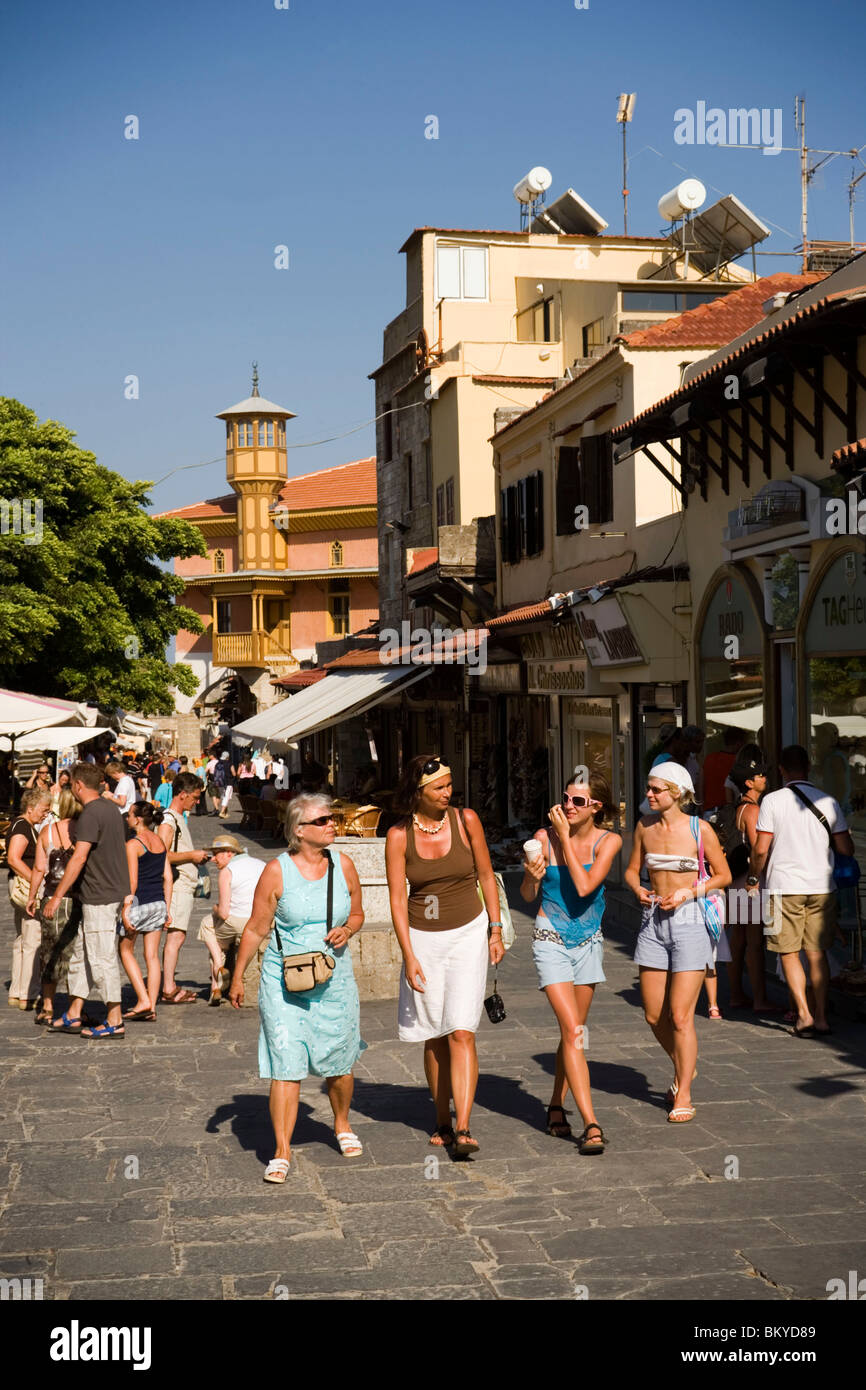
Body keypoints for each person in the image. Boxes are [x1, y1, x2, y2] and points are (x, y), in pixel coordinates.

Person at [228, 794, 366, 1181]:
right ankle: (282, 1150)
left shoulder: (344, 865)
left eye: (333, 818)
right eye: (323, 820)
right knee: (285, 1064)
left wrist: (349, 928)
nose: (332, 825)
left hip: (333, 976)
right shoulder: (276, 870)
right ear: (299, 830)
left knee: (339, 1061)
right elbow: (257, 927)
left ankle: (341, 1123)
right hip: (283, 979)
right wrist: (238, 976)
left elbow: (357, 910)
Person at [385, 755, 504, 1157]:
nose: (448, 793)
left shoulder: (466, 820)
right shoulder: (399, 835)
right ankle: (441, 1117)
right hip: (423, 939)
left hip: (468, 934)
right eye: (439, 788)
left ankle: (465, 1125)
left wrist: (496, 927)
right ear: (418, 792)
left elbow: (486, 875)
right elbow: (397, 900)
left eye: (450, 785)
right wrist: (408, 954)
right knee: (434, 1033)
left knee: (462, 1029)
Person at [520, 773, 621, 1154]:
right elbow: (528, 895)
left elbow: (584, 887)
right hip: (550, 936)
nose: (568, 806)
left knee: (572, 1033)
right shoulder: (543, 838)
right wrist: (531, 879)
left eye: (578, 801)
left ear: (596, 807)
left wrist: (565, 840)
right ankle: (592, 1123)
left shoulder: (609, 841)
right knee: (573, 1029)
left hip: (589, 941)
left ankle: (556, 1104)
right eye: (566, 798)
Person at [625, 762, 731, 1123]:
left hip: (690, 922)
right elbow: (630, 869)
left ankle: (682, 1090)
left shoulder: (700, 830)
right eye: (649, 789)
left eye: (656, 789)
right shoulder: (644, 827)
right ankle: (684, 1064)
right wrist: (637, 887)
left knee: (681, 1015)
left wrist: (688, 893)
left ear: (677, 792)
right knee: (654, 1014)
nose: (649, 795)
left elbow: (724, 875)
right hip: (652, 920)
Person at [748, 745, 855, 1037]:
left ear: (780, 769)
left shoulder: (772, 800)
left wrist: (754, 877)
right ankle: (822, 1017)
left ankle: (804, 1015)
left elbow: (761, 848)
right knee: (817, 952)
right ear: (809, 767)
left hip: (781, 887)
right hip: (822, 886)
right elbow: (846, 847)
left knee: (788, 952)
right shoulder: (829, 801)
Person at [44, 762, 130, 1039]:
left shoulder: (92, 813)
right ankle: (74, 1013)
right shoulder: (110, 809)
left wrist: (57, 896)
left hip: (100, 896)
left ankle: (115, 1018)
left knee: (101, 956)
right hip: (102, 892)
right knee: (82, 954)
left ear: (79, 785)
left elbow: (79, 857)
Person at [723, 756, 779, 1015]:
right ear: (749, 782)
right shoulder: (754, 810)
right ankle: (759, 999)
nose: (765, 778)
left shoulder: (739, 807)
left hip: (736, 882)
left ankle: (736, 994)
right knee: (754, 944)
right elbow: (760, 850)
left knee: (738, 939)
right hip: (750, 884)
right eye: (760, 776)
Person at [28, 788, 84, 1026]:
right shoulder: (84, 830)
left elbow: (40, 869)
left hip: (51, 897)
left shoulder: (47, 831)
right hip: (78, 897)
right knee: (76, 952)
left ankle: (48, 1005)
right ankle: (74, 1005)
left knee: (50, 951)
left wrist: (32, 896)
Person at [118, 801, 174, 1021]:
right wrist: (167, 909)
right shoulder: (159, 841)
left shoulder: (133, 844)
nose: (127, 818)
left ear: (137, 818)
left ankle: (142, 1000)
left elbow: (131, 881)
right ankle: (152, 1006)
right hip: (158, 903)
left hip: (139, 903)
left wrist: (125, 907)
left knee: (125, 950)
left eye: (130, 814)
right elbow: (168, 877)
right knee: (151, 956)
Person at [157, 771, 209, 1004]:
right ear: (182, 794)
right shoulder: (169, 820)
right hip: (177, 885)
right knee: (175, 936)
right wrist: (191, 855)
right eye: (194, 797)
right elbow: (163, 854)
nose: (197, 802)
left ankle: (169, 983)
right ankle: (168, 987)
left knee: (178, 935)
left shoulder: (178, 818)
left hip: (183, 884)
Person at [197, 834, 265, 1005]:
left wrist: (215, 909)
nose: (213, 860)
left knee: (207, 924)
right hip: (261, 921)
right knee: (215, 932)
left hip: (239, 923)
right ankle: (219, 975)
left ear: (229, 853)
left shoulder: (227, 872)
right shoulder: (262, 865)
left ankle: (218, 973)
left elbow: (224, 913)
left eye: (216, 854)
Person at [6, 787, 53, 1009]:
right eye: (44, 810)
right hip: (24, 888)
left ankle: (17, 991)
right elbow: (14, 859)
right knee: (32, 939)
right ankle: (29, 994)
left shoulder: (27, 826)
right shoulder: (22, 827)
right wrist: (36, 880)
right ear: (31, 807)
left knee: (22, 940)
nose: (46, 814)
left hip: (21, 887)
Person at [703, 726, 748, 809]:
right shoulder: (738, 763)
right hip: (728, 811)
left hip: (708, 809)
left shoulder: (709, 759)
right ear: (739, 743)